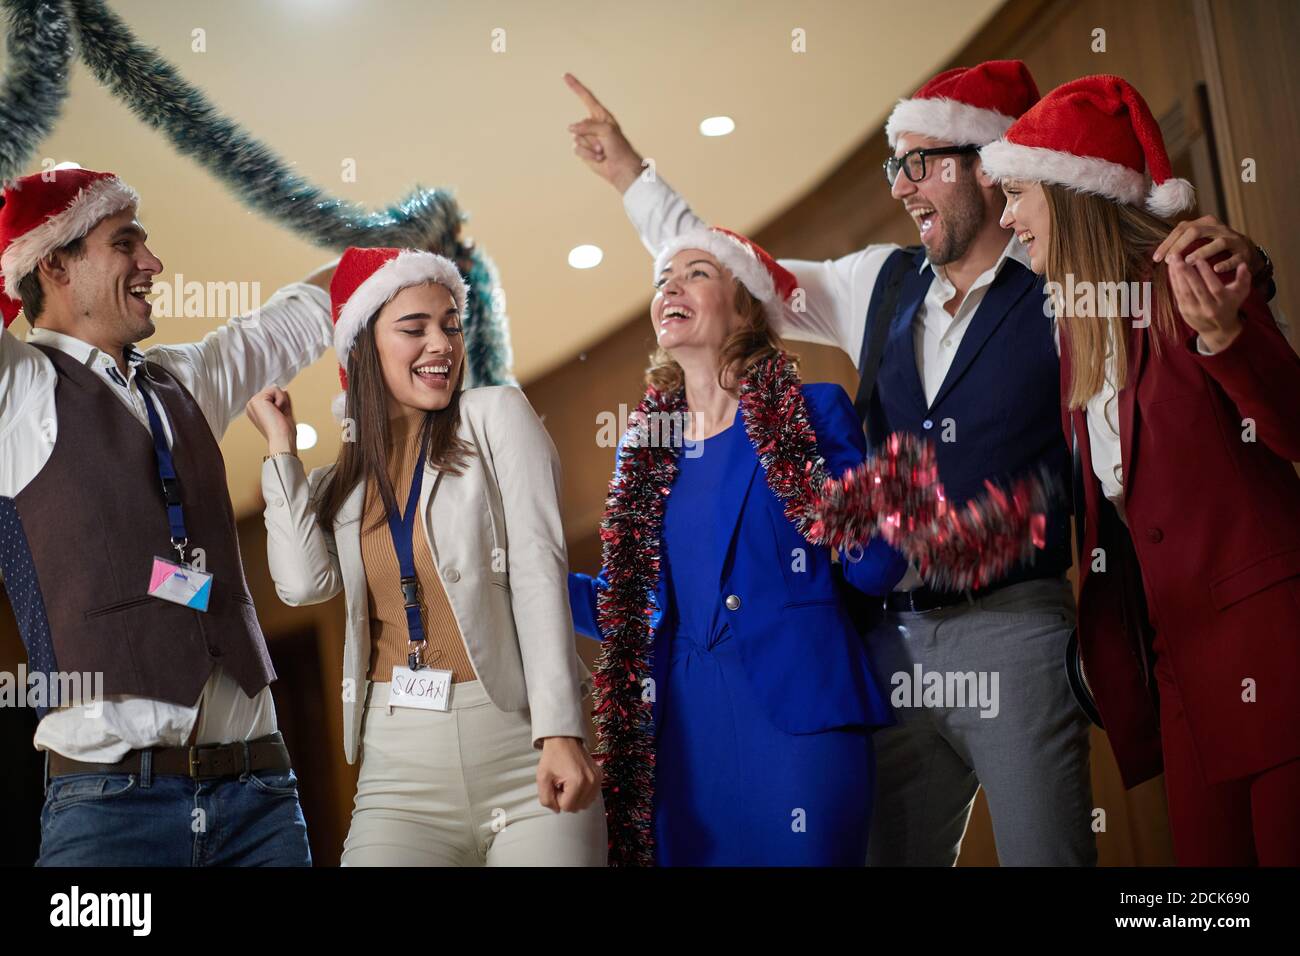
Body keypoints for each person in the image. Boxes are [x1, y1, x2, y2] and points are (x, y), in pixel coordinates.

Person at [563, 64, 1273, 866]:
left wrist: (1240, 261)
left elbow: (1159, 270)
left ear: (988, 165)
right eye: (893, 166)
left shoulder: (1066, 282)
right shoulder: (878, 281)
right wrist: (629, 174)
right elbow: (729, 271)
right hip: (888, 642)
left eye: (920, 162)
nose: (902, 187)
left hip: (1015, 629)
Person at [981, 73, 1300, 866]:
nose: (1008, 217)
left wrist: (1228, 338)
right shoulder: (1079, 340)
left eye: (1017, 194)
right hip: (1182, 682)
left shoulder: (1193, 276)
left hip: (1277, 659)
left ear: (1073, 192)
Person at [0, 166, 335, 866]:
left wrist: (394, 264)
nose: (153, 263)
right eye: (126, 244)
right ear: (56, 263)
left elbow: (292, 321)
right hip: (108, 812)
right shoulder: (17, 390)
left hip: (260, 796)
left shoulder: (181, 380)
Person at [250, 246, 606, 866]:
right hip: (398, 771)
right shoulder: (345, 480)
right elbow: (303, 585)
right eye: (414, 328)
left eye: (449, 325)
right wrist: (281, 450)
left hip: (522, 748)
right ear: (363, 347)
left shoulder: (496, 415)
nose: (441, 343)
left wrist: (561, 730)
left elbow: (538, 569)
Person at [569, 226, 909, 866]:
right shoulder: (642, 454)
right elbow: (626, 610)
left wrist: (842, 500)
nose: (670, 285)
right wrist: (522, 576)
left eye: (696, 272)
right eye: (662, 279)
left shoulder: (813, 411)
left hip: (801, 721)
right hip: (684, 741)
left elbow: (875, 568)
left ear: (746, 303)